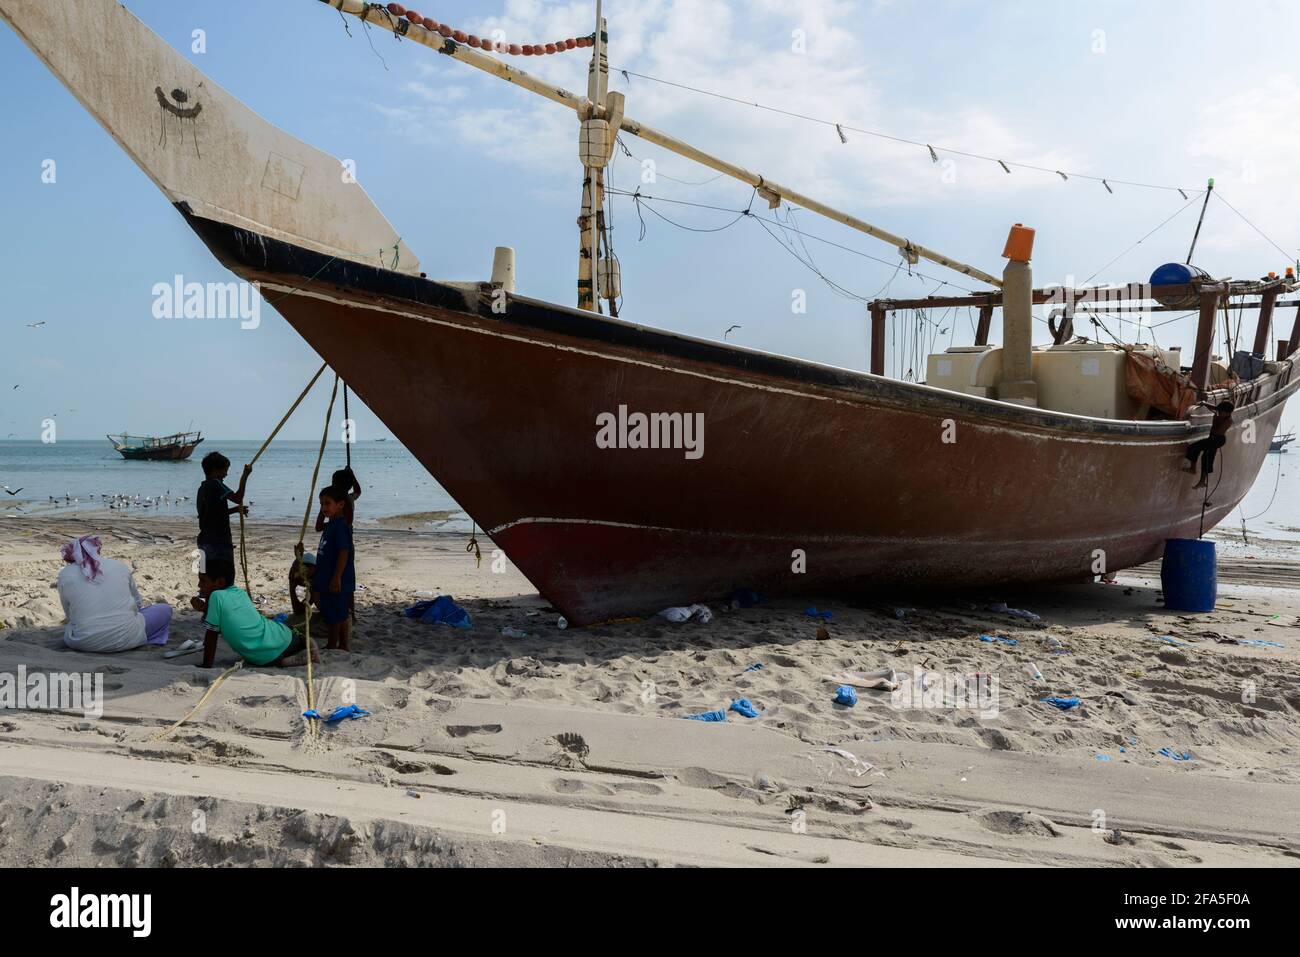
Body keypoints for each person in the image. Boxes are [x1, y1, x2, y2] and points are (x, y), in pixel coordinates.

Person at [57, 534, 172, 652]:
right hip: (128, 638)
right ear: (97, 549)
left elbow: (69, 615)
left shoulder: (64, 574)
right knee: (165, 609)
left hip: (83, 643)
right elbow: (137, 603)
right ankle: (149, 638)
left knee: (73, 626)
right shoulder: (119, 566)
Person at [194, 558, 316, 668]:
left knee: (271, 654)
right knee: (287, 630)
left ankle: (284, 661)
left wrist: (206, 665)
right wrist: (205, 609)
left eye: (203, 581)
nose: (199, 585)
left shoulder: (216, 596)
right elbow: (228, 621)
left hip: (265, 658)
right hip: (284, 639)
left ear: (220, 582)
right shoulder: (240, 593)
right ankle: (303, 642)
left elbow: (212, 634)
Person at [312, 485, 355, 652]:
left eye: (327, 503)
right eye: (321, 504)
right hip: (327, 575)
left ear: (341, 504)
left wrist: (337, 577)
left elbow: (344, 552)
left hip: (337, 578)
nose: (323, 508)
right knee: (334, 612)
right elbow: (317, 527)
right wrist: (324, 511)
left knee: (337, 614)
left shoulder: (341, 526)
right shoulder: (330, 525)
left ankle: (338, 644)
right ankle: (336, 643)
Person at [196, 451, 251, 569]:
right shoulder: (216, 484)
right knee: (224, 575)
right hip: (218, 541)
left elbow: (212, 515)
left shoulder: (202, 488)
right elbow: (238, 498)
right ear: (215, 470)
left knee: (206, 575)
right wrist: (245, 476)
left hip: (203, 539)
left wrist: (236, 510)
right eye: (225, 470)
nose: (226, 474)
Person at [1182, 400, 1234, 491]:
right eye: (1219, 411)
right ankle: (1200, 479)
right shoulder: (1220, 412)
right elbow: (1214, 408)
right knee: (1206, 457)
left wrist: (1216, 420)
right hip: (1212, 438)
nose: (1219, 413)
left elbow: (1217, 432)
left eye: (1222, 412)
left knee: (1197, 449)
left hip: (1217, 439)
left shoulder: (1228, 421)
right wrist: (1205, 403)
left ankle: (1195, 471)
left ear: (1228, 413)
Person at [314, 467, 361, 531]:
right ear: (350, 486)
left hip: (334, 532)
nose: (324, 506)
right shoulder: (350, 498)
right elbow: (358, 491)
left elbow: (318, 527)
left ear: (333, 484)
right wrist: (352, 475)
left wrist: (331, 525)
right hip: (345, 532)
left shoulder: (330, 500)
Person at [289, 548, 317, 616]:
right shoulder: (311, 585)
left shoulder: (317, 583)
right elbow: (298, 611)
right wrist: (292, 589)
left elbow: (299, 610)